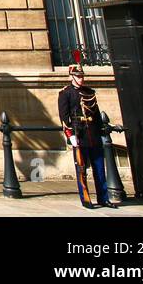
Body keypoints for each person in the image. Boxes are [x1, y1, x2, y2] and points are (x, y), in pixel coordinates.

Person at [58, 62, 116, 209]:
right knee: (82, 169)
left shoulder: (89, 92)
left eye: (82, 76)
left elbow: (96, 115)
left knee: (99, 169)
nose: (81, 79)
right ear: (72, 76)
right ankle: (86, 198)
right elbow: (64, 118)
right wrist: (70, 135)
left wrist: (102, 133)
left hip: (93, 135)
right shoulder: (66, 93)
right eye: (78, 76)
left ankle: (103, 198)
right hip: (79, 135)